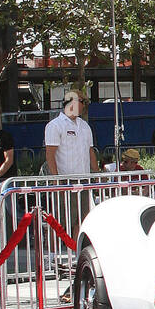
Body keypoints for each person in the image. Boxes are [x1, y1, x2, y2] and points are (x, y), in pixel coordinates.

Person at [44, 90, 99, 241]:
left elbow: (90, 152)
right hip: (65, 181)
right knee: (60, 220)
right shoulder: (54, 125)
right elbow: (50, 154)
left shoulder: (85, 126)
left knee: (82, 220)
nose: (84, 106)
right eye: (83, 102)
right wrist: (56, 180)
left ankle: (75, 253)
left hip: (84, 180)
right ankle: (52, 255)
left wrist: (98, 174)